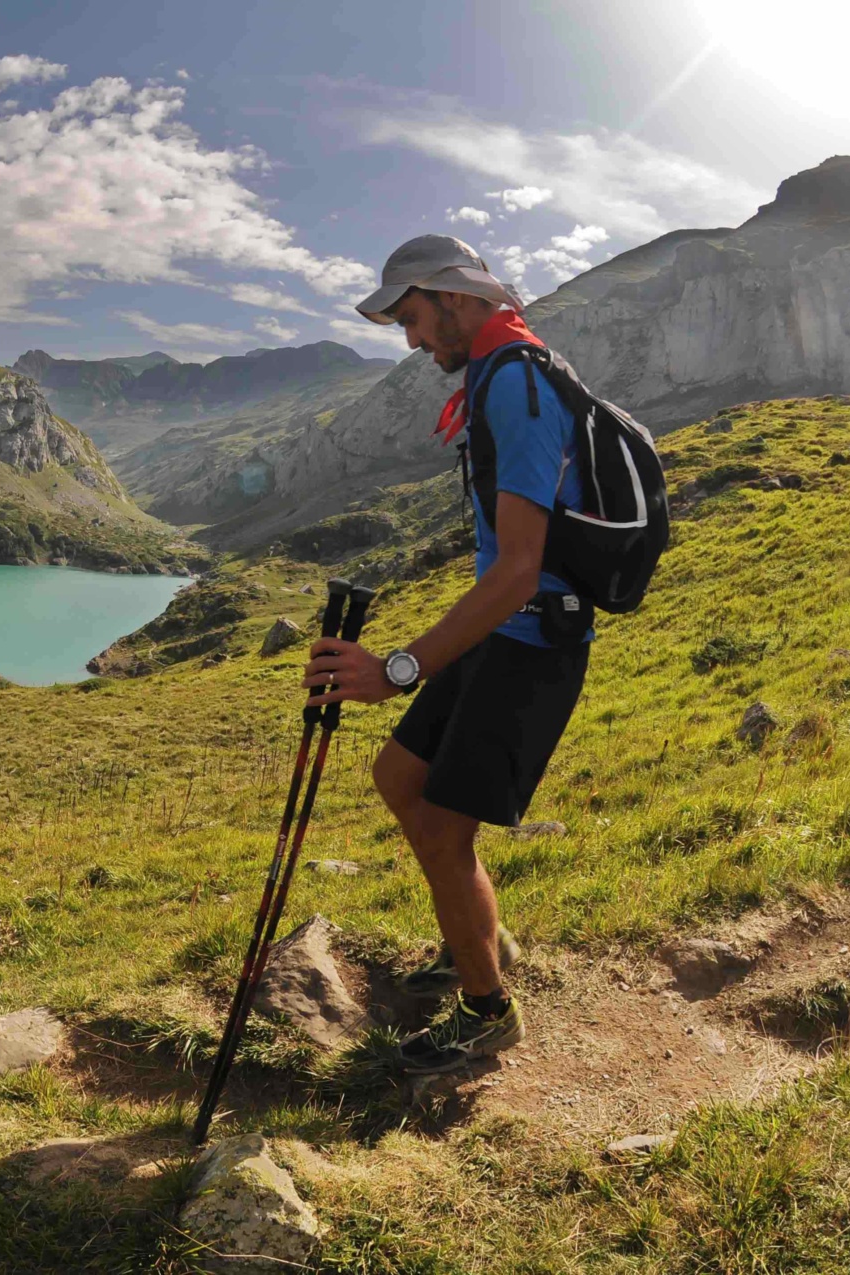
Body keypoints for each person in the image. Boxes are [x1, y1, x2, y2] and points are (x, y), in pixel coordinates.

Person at [303, 235, 592, 1074]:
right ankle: (478, 938)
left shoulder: (519, 385)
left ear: (456, 297)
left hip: (532, 642)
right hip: (502, 631)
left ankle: (487, 1010)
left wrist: (397, 669)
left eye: (413, 316)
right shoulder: (496, 372)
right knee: (399, 777)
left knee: (440, 825)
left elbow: (520, 567)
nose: (411, 339)